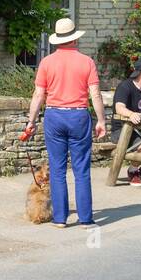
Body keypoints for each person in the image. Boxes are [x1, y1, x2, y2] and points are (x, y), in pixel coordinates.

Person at [24, 17, 107, 228]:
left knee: (58, 169)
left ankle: (60, 219)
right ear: (74, 39)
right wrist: (101, 121)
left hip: (54, 116)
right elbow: (95, 94)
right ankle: (86, 218)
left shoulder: (46, 63)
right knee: (81, 169)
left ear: (56, 40)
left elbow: (38, 95)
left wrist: (31, 121)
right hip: (79, 115)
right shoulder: (86, 62)